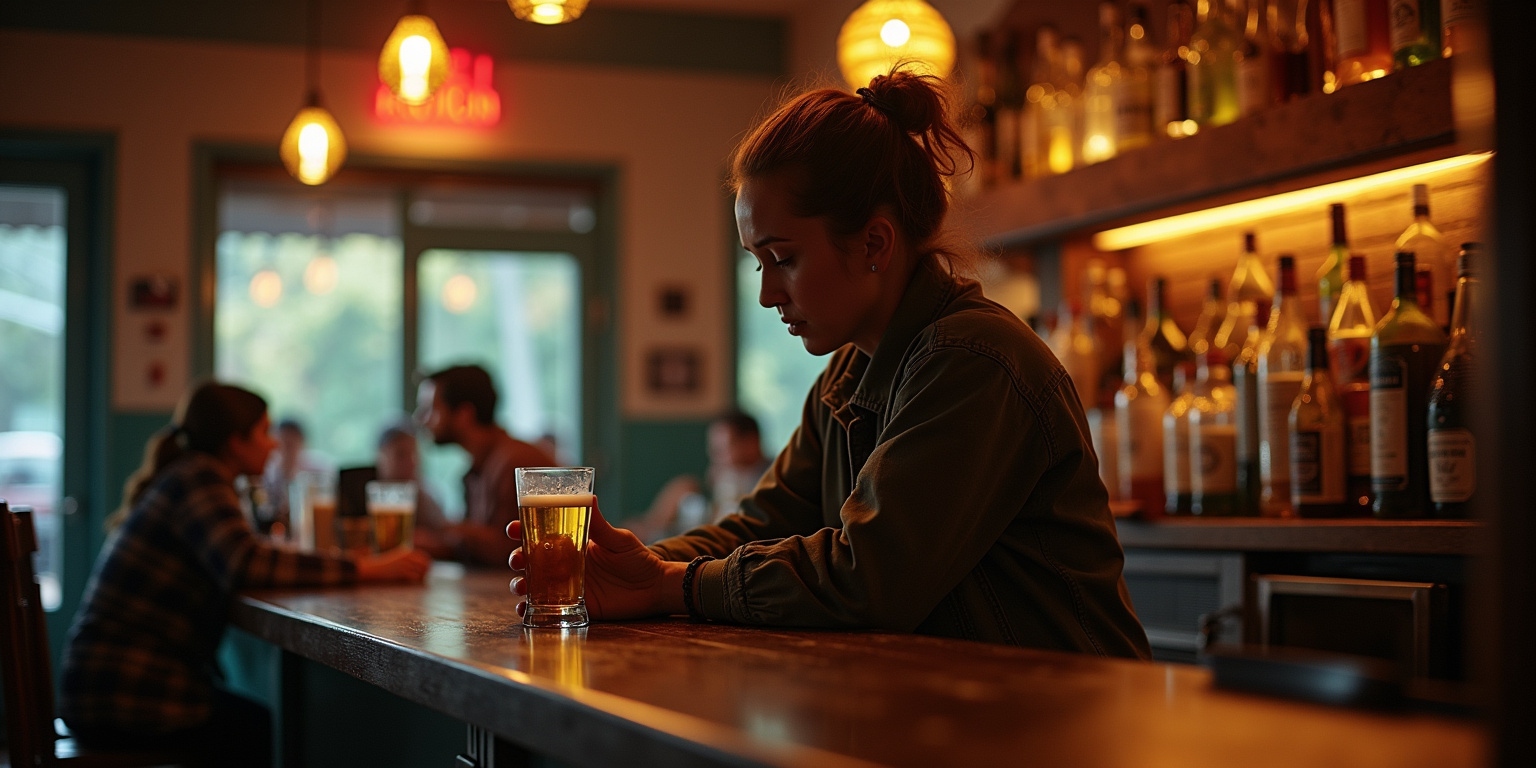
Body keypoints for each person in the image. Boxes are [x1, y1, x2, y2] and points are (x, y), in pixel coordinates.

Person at [507, 70, 1150, 657]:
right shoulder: (850, 372)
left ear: (873, 242)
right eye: (758, 263)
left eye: (782, 258)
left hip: (1068, 719)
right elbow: (762, 522)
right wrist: (633, 566)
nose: (766, 293)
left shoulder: (970, 361)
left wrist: (672, 584)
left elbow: (868, 577)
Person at [59, 383, 432, 766]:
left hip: (104, 685)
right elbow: (246, 563)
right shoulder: (200, 478)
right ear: (237, 441)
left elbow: (244, 556)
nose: (273, 445)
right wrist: (363, 568)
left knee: (253, 723)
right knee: (255, 728)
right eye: (264, 432)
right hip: (122, 692)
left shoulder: (189, 476)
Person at [415, 364, 556, 567]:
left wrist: (444, 527)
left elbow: (512, 552)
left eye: (430, 409)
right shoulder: (478, 467)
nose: (420, 419)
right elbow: (477, 551)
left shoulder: (518, 463)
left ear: (465, 414)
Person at [631, 410, 773, 542]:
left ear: (751, 443)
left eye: (723, 449)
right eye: (713, 449)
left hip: (730, 541)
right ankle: (648, 530)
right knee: (685, 485)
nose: (716, 457)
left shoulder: (770, 478)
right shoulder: (726, 475)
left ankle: (647, 534)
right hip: (702, 530)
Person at [372, 421, 452, 554]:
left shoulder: (426, 497)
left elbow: (449, 542)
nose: (411, 462)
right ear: (380, 455)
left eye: (414, 454)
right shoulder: (364, 493)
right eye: (401, 454)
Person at [258, 418, 330, 532]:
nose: (287, 450)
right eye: (283, 443)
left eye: (291, 444)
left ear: (302, 442)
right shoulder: (267, 472)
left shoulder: (319, 467)